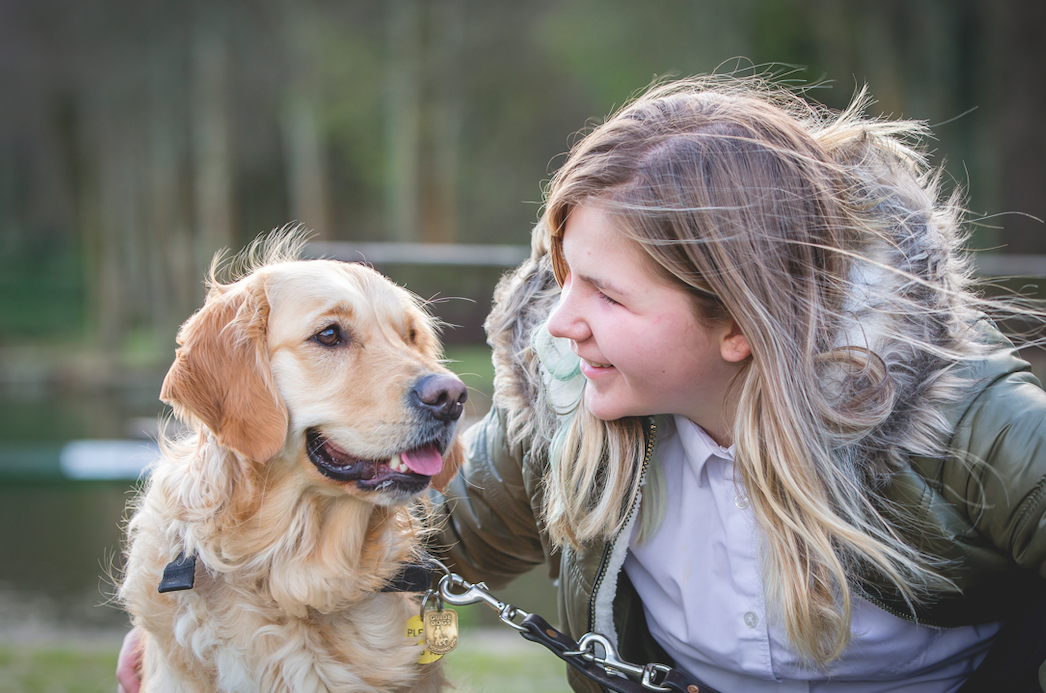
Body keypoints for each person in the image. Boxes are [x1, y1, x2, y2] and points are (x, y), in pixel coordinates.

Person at [117, 76, 1046, 693]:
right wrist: (186, 625)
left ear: (737, 321)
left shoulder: (963, 427)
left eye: (605, 292)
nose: (561, 322)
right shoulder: (563, 424)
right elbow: (429, 574)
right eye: (565, 281)